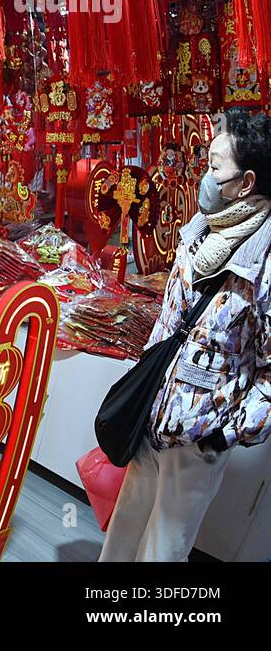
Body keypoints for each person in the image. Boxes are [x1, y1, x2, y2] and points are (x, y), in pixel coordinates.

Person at [99, 110, 271, 561]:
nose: (205, 178)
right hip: (154, 412)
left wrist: (224, 435)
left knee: (164, 547)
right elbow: (168, 321)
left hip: (200, 435)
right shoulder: (199, 231)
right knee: (125, 525)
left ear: (246, 182)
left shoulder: (264, 262)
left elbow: (270, 374)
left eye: (215, 168)